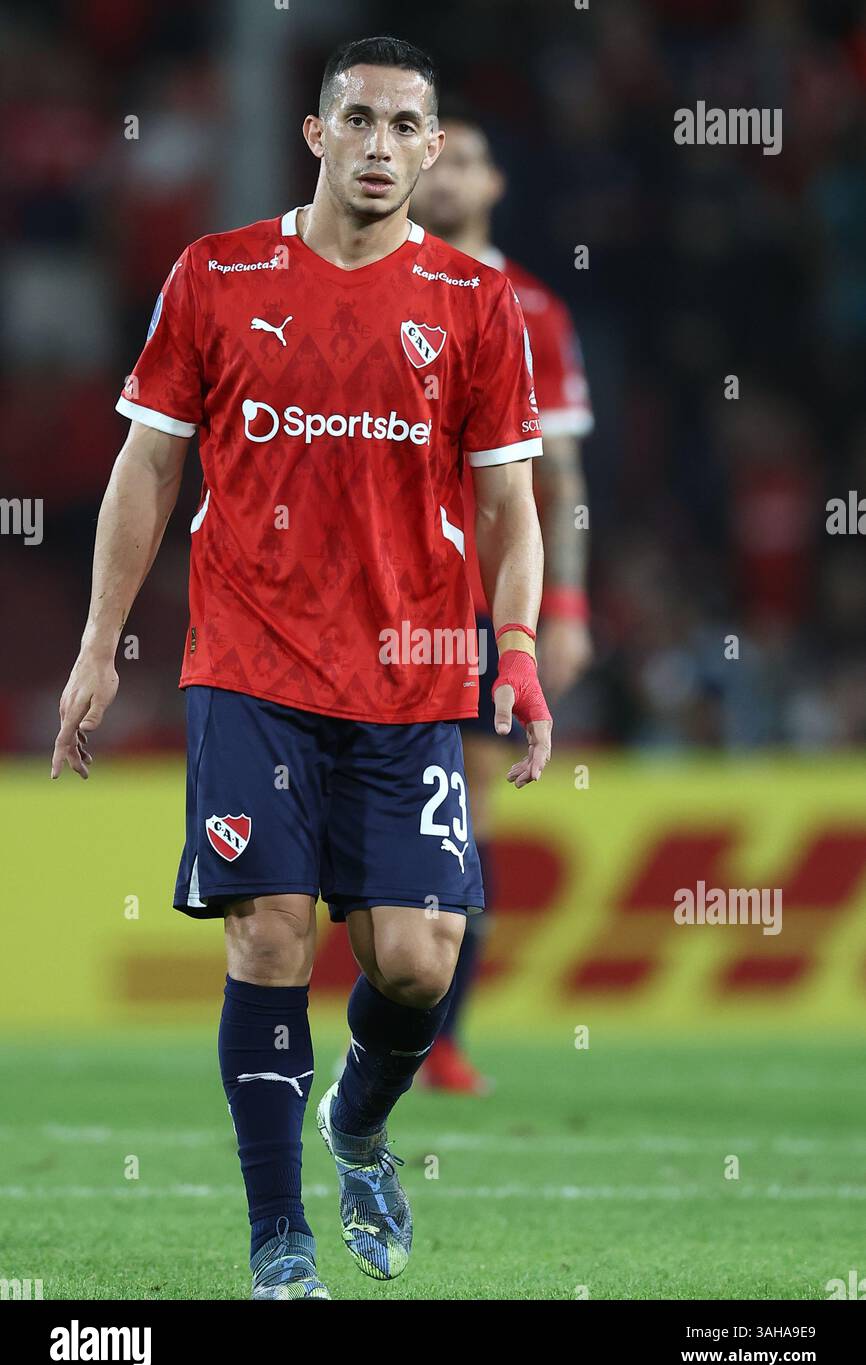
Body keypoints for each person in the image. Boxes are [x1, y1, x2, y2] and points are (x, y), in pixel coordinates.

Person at [50, 36, 552, 1300]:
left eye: (407, 127)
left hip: (410, 678)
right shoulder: (214, 276)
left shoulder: (473, 306)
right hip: (252, 662)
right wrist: (102, 643)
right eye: (360, 121)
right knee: (267, 937)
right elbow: (147, 467)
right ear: (316, 135)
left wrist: (520, 653)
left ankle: (358, 1126)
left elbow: (508, 505)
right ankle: (279, 1241)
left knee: (416, 963)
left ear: (432, 153)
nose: (381, 146)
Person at [411, 110, 594, 1093]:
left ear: (493, 188)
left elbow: (557, 477)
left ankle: (438, 1030)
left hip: (480, 599)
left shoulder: (532, 311)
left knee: (460, 808)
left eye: (469, 159)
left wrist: (560, 604)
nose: (447, 177)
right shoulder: (358, 286)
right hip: (364, 591)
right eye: (436, 155)